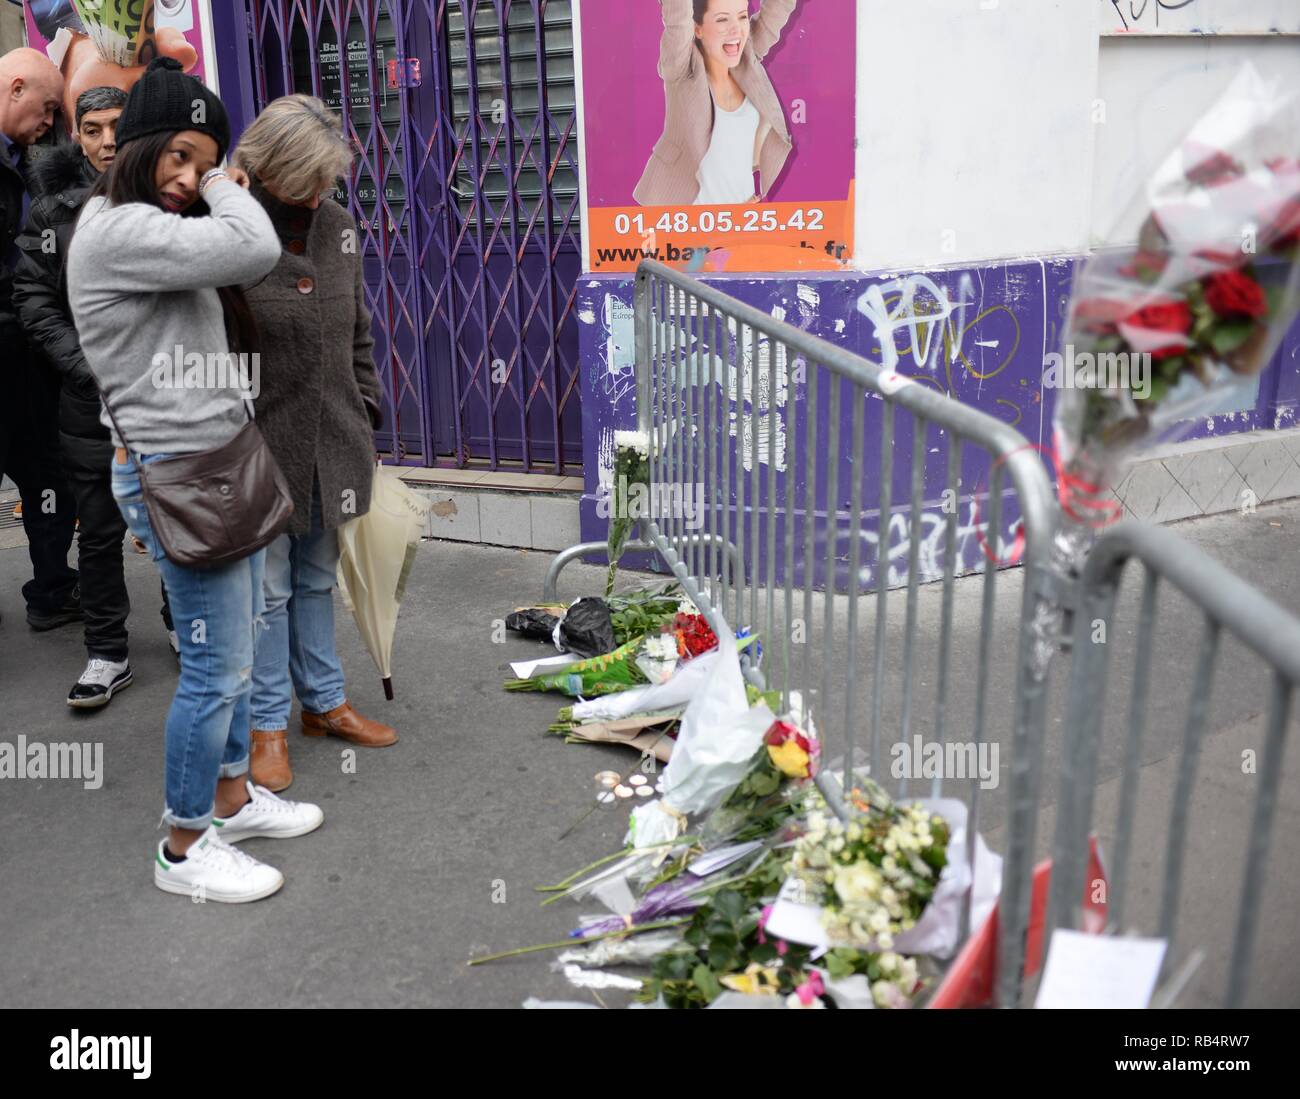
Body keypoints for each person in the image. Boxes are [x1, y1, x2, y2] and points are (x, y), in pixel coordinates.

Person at [68, 58, 322, 903]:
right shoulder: (115, 231)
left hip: (217, 459)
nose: (187, 177)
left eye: (202, 159)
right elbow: (252, 245)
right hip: (182, 474)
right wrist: (224, 178)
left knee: (239, 651)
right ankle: (183, 846)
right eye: (177, 157)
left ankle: (231, 796)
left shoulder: (150, 225)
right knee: (215, 668)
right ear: (136, 149)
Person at [231, 95, 397, 793]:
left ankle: (323, 703)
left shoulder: (337, 227)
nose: (325, 191)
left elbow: (357, 330)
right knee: (266, 593)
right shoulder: (231, 235)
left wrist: (369, 409)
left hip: (334, 439)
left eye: (332, 177)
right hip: (260, 443)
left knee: (316, 578)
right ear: (274, 168)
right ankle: (268, 725)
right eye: (314, 177)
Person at [14, 86, 142, 707]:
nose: (106, 141)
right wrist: (87, 367)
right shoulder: (51, 212)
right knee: (96, 531)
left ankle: (189, 627)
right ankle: (107, 651)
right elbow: (33, 300)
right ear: (77, 134)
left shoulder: (173, 196)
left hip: (168, 395)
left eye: (117, 126)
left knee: (180, 524)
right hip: (90, 401)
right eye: (91, 129)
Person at [0, 47, 80, 632]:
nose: (50, 121)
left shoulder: (35, 157)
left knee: (46, 474)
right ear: (15, 87)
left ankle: (52, 590)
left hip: (30, 349)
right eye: (48, 108)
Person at [633, 0, 797, 206]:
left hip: (739, 220)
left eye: (742, 16)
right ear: (697, 29)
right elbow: (679, 19)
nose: (736, 29)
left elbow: (777, 8)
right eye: (722, 20)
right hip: (687, 223)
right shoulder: (682, 69)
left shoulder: (746, 58)